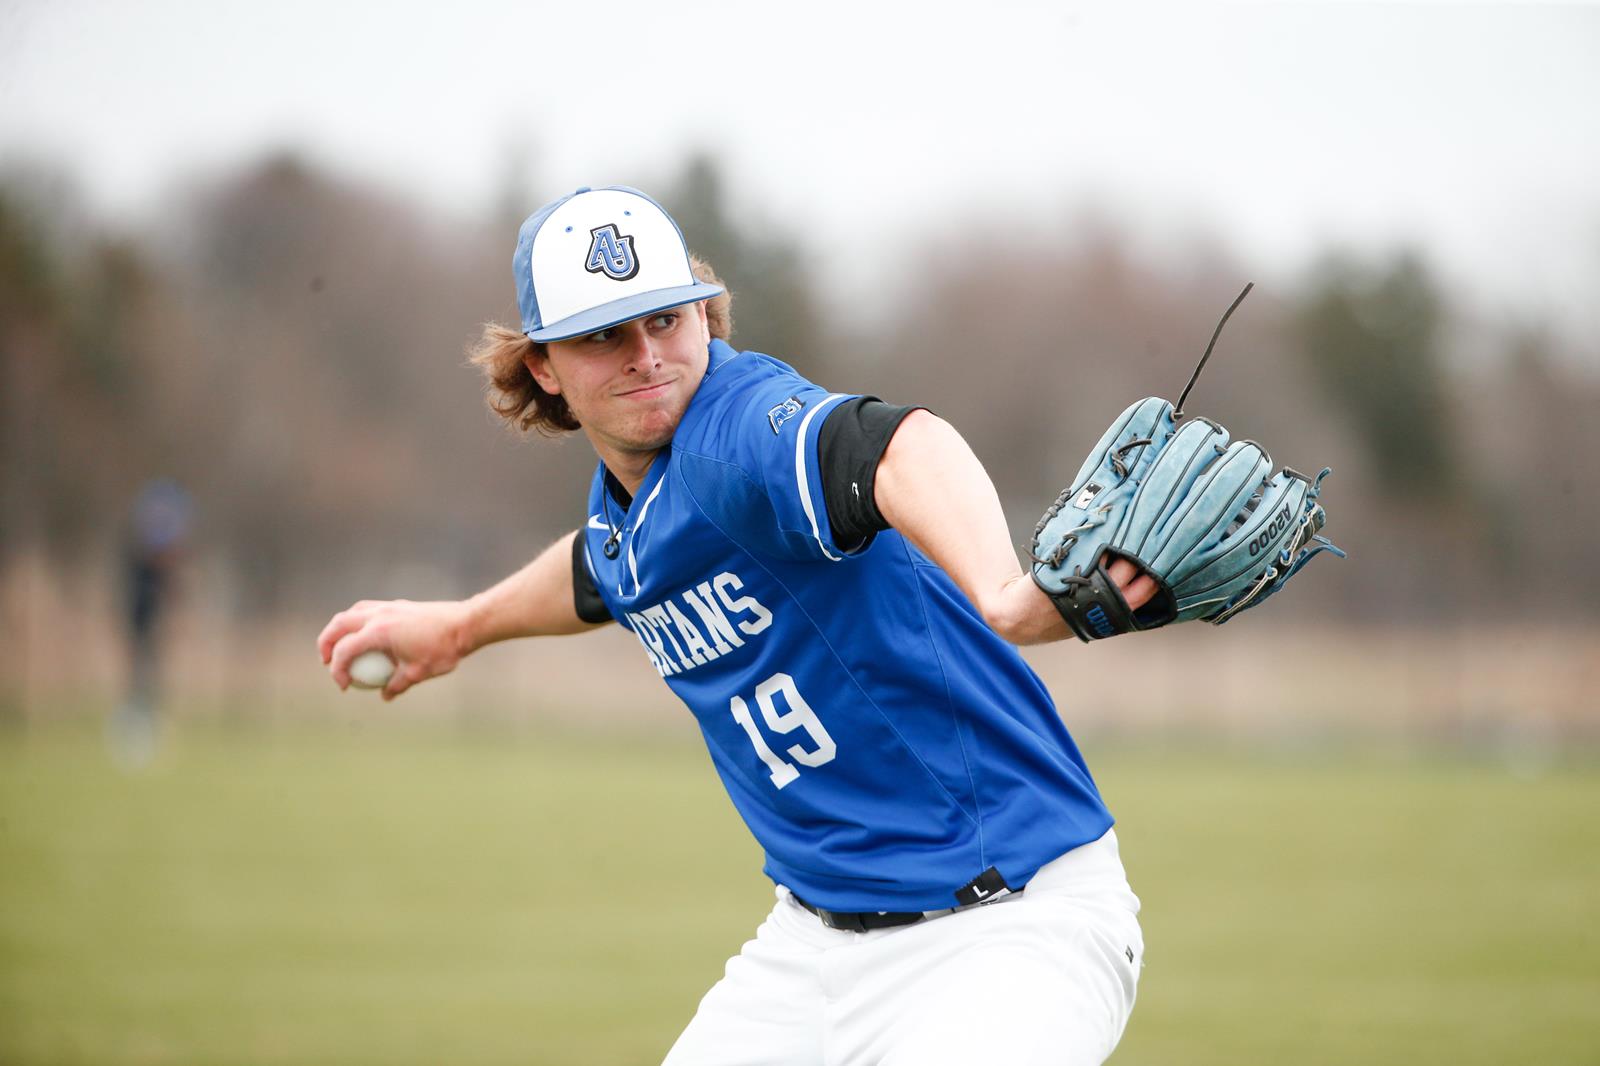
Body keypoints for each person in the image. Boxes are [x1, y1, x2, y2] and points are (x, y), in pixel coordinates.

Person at [318, 186, 1160, 1065]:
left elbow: (896, 448)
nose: (647, 356)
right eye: (605, 333)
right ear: (542, 366)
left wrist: (1002, 593)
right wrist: (459, 627)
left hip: (1006, 928)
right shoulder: (629, 507)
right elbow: (597, 572)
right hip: (811, 949)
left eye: (664, 319)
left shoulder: (736, 428)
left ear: (703, 316)